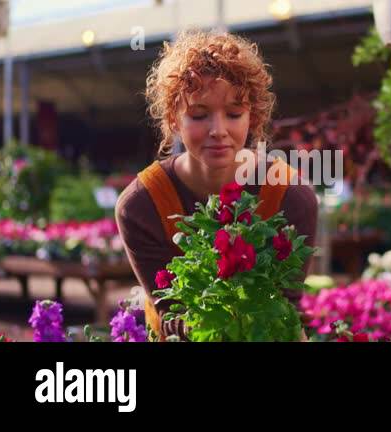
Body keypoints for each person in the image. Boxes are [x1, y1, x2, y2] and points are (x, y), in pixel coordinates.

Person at [115, 30, 318, 340]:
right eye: (198, 115)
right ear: (173, 119)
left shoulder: (291, 197)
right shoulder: (142, 205)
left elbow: (283, 311)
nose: (218, 130)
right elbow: (173, 312)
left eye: (234, 114)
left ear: (253, 116)